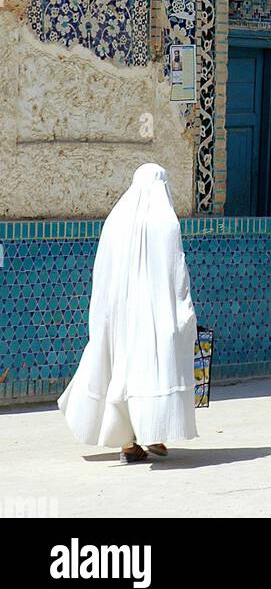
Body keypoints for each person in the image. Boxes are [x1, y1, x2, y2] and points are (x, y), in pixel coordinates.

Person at [59, 162, 198, 463]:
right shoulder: (166, 222)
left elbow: (102, 271)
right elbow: (176, 273)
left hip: (117, 313)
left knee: (120, 369)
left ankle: (128, 443)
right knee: (150, 369)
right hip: (153, 313)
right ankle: (151, 432)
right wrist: (183, 309)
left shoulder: (116, 220)